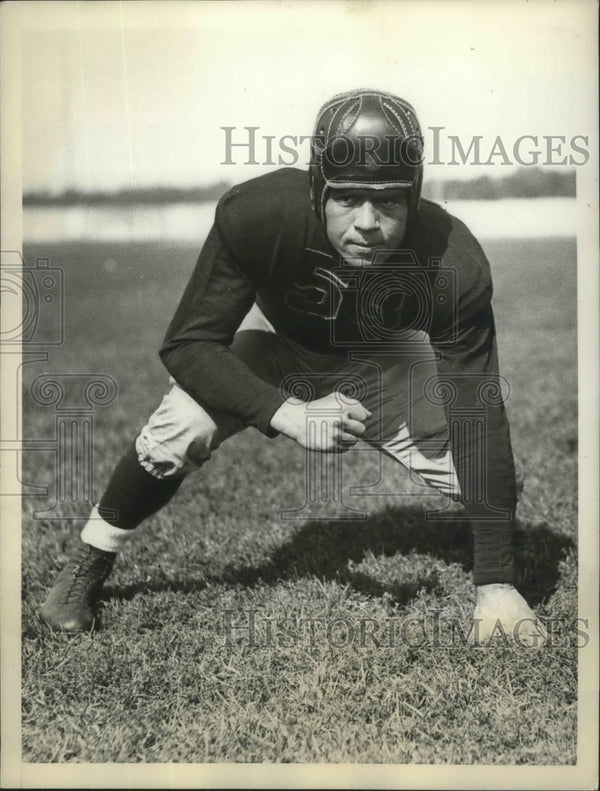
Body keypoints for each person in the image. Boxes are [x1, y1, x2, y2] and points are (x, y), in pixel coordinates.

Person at [41, 89, 546, 645]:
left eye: (390, 202)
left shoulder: (453, 262)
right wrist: (287, 413)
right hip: (277, 351)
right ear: (316, 190)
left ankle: (492, 557)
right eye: (348, 199)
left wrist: (496, 583)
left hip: (383, 368)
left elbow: (478, 408)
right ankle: (90, 559)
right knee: (179, 426)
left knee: (488, 476)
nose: (369, 222)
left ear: (415, 194)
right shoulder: (259, 215)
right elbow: (189, 344)